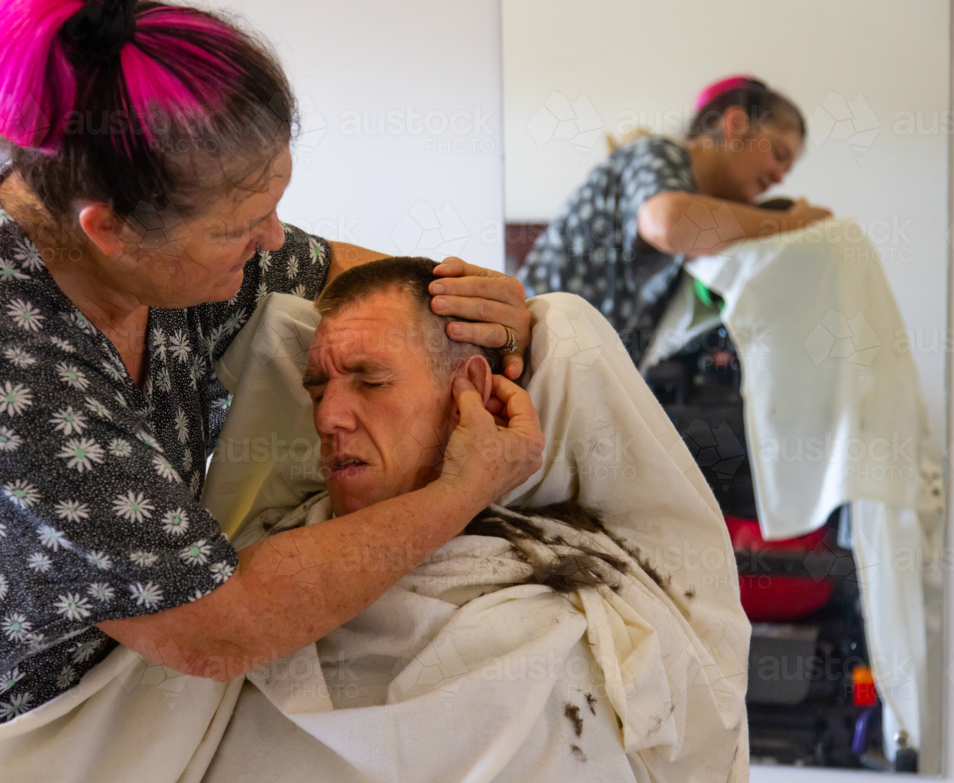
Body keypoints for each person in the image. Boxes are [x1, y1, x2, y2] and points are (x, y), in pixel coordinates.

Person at [0, 0, 539, 723]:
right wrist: (466, 487)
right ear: (111, 231)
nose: (275, 239)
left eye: (373, 378)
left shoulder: (166, 248)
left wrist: (469, 300)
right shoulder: (24, 373)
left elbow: (328, 264)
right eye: (243, 227)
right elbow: (221, 628)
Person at [189, 257, 749, 782]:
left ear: (472, 391)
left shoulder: (551, 633)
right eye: (316, 391)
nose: (328, 417)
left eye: (370, 381)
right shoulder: (245, 565)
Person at [517, 75, 833, 364]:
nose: (779, 178)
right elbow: (668, 223)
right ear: (736, 125)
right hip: (527, 353)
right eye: (779, 154)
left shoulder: (687, 195)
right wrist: (793, 222)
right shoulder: (657, 153)